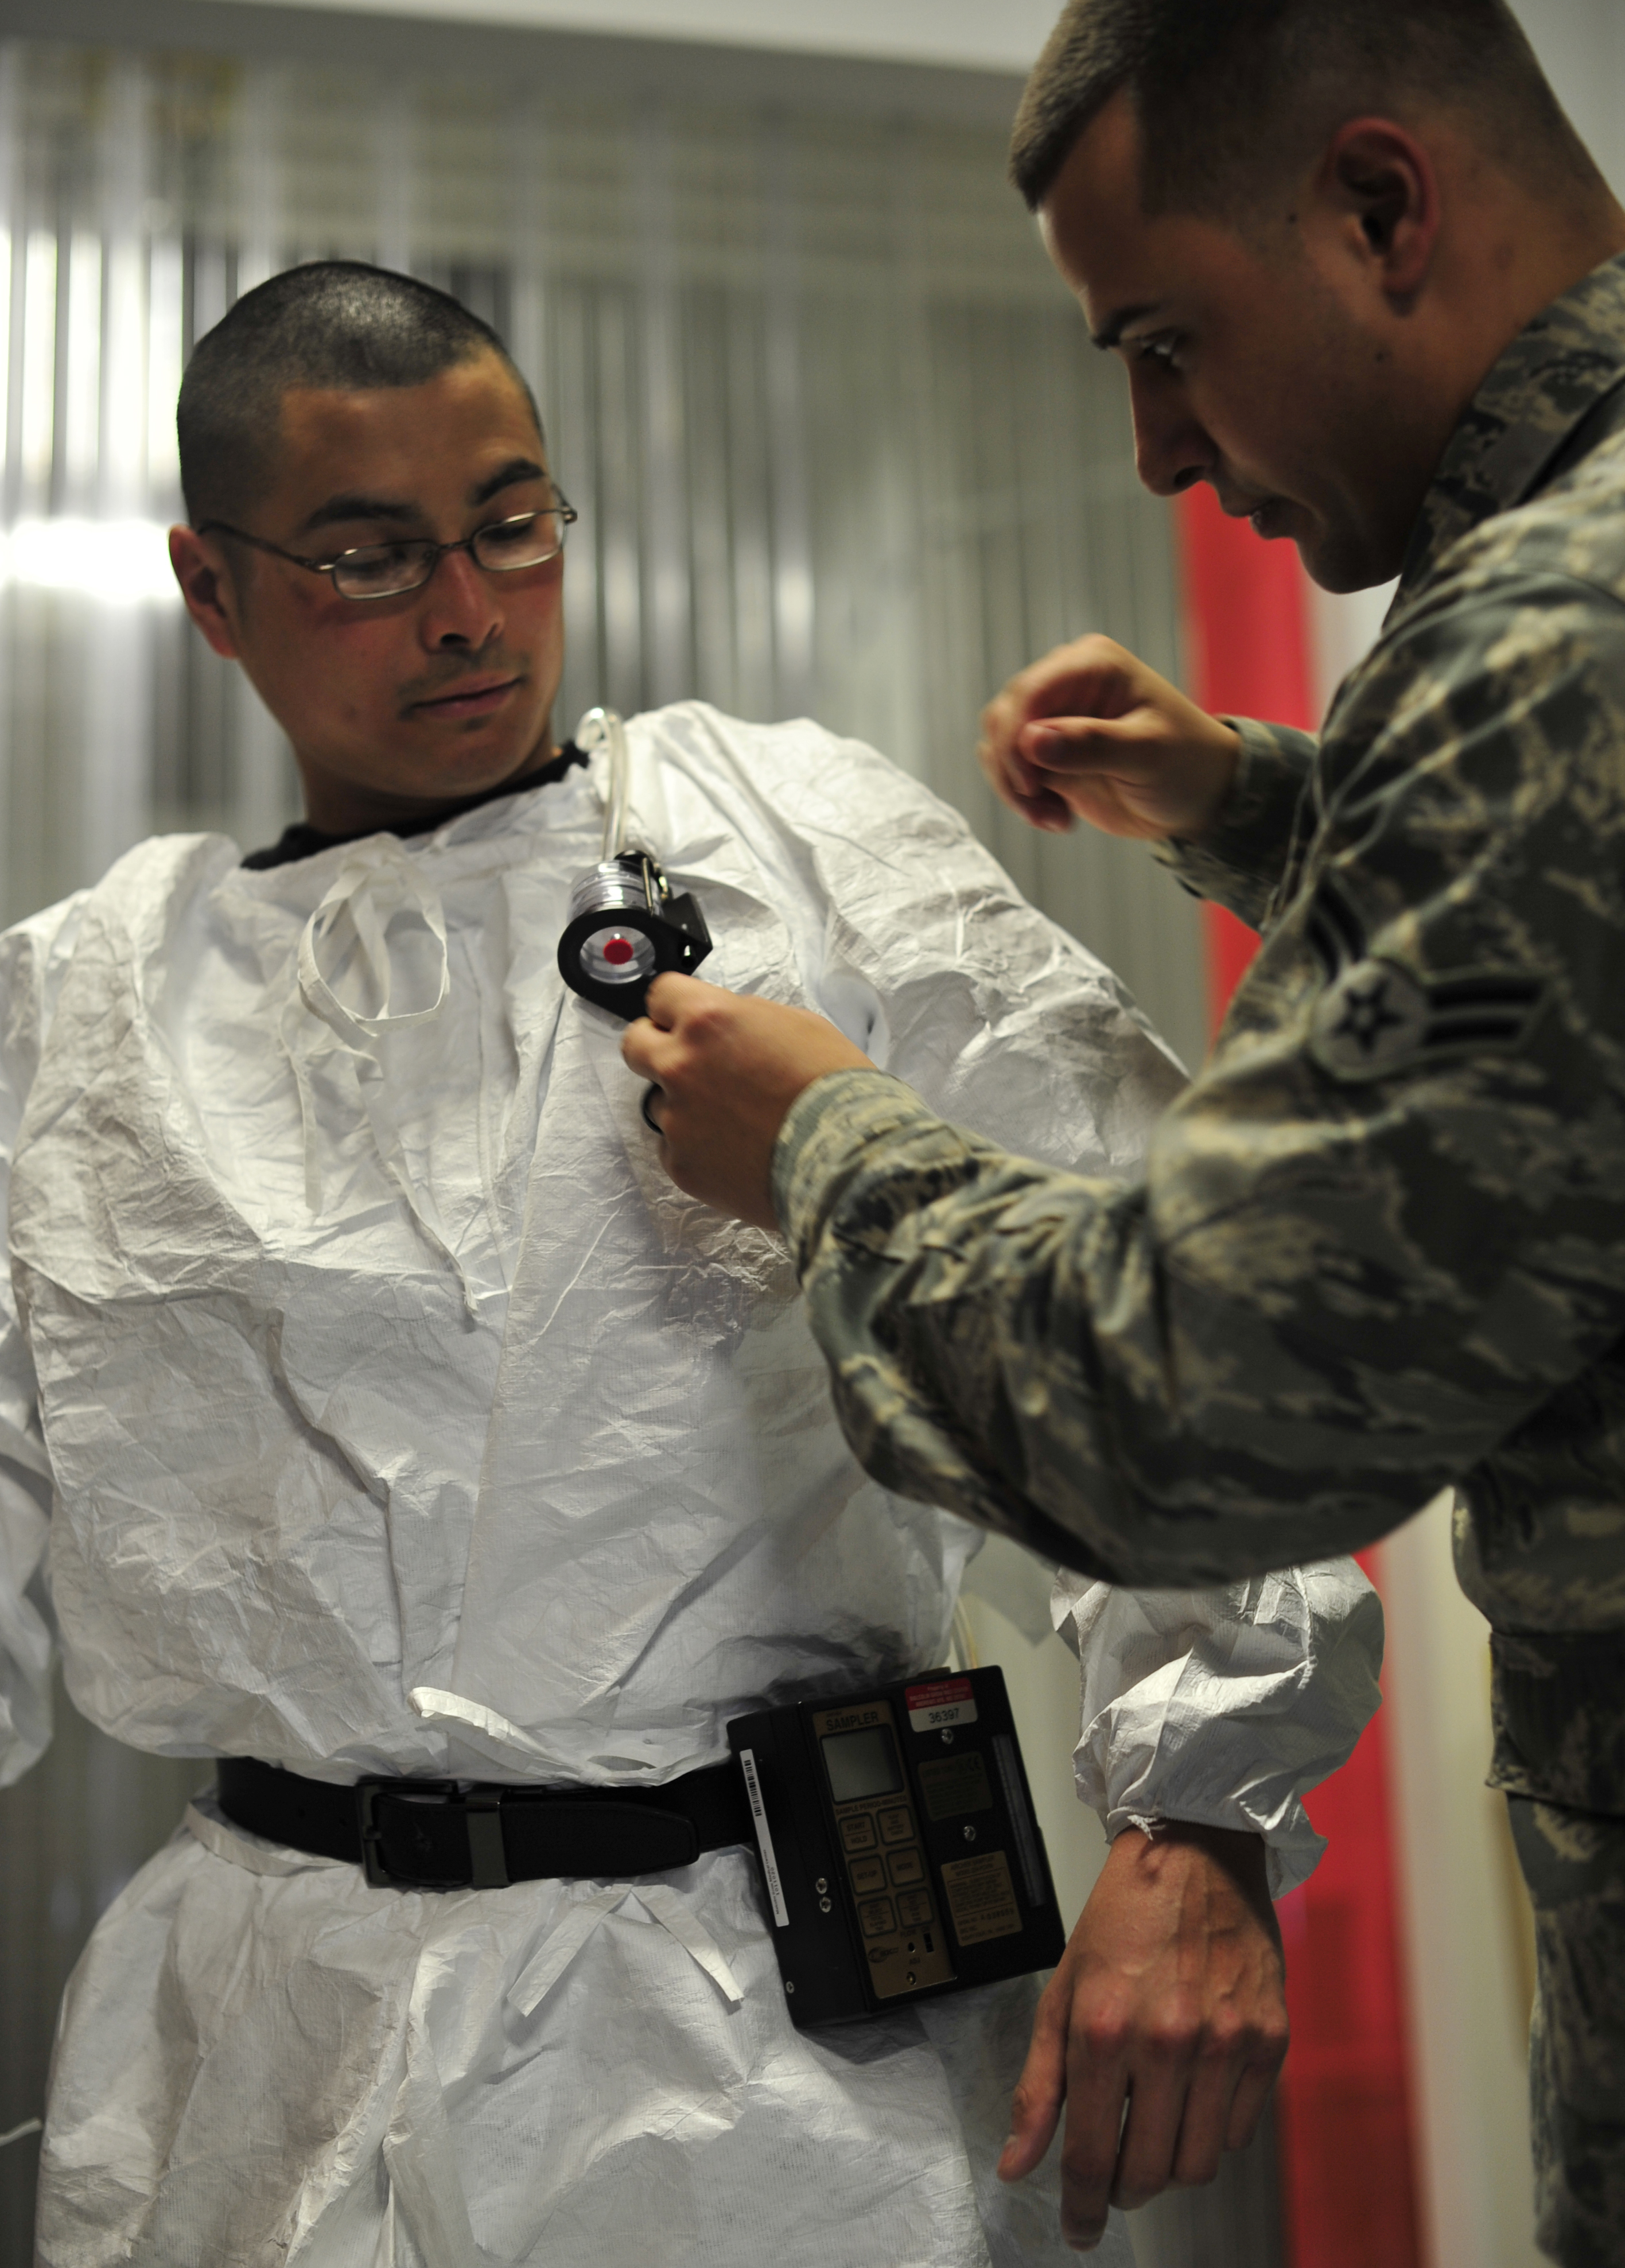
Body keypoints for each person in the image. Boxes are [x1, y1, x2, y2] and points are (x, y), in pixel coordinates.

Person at [0, 261, 1379, 2267]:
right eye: (373, 558)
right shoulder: (81, 1015)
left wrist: (1204, 1814)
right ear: (215, 594)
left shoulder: (786, 845)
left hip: (776, 2062)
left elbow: (1163, 1306)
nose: (471, 610)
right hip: (255, 2058)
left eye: (512, 522)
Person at [620, 3, 1625, 2261]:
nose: (1163, 448)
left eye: (1171, 341)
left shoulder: (1545, 643)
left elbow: (1199, 1413)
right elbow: (1576, 966)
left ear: (1382, 206)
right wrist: (1273, 802)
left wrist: (829, 1139)